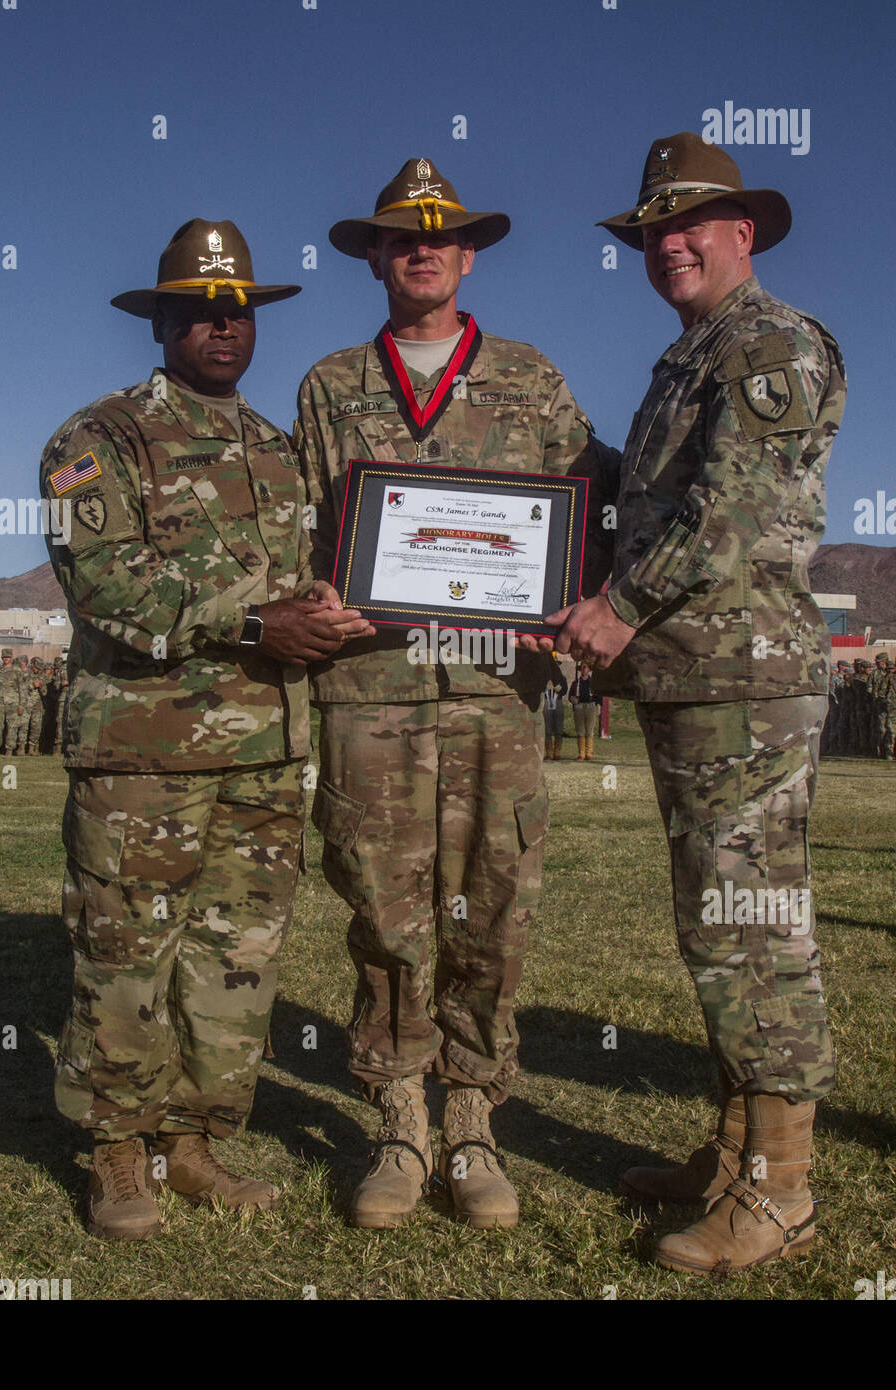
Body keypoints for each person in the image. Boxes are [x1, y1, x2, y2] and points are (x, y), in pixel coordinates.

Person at [544, 132, 846, 1271]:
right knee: (718, 925)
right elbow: (650, 494)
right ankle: (732, 1155)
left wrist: (616, 605)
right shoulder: (691, 358)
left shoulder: (768, 341)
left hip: (747, 682)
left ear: (742, 232)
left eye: (687, 225)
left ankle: (781, 1189)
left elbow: (729, 509)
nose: (666, 244)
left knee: (755, 928)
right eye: (650, 230)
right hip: (699, 680)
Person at [41, 217, 371, 1241]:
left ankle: (192, 1139)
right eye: (199, 310)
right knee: (127, 952)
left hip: (267, 754)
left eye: (237, 311)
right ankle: (115, 1152)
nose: (221, 328)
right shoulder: (95, 439)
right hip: (146, 755)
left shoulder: (277, 449)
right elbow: (102, 585)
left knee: (237, 960)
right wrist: (255, 620)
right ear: (163, 321)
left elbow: (311, 578)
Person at [295, 157, 609, 1230]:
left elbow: (590, 510)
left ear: (468, 255)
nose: (421, 248)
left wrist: (586, 605)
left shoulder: (529, 377)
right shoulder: (332, 386)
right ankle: (397, 1115)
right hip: (370, 689)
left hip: (494, 691)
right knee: (383, 910)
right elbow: (302, 527)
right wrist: (312, 595)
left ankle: (472, 1116)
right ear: (376, 257)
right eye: (400, 236)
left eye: (441, 235)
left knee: (491, 905)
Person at [568, 663, 601, 760]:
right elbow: (570, 695)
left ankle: (589, 753)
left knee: (589, 731)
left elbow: (598, 696)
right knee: (580, 731)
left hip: (590, 707)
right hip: (579, 708)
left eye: (585, 667)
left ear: (589, 670)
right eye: (582, 668)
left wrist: (598, 705)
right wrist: (573, 699)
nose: (583, 669)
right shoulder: (575, 683)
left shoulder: (593, 683)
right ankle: (581, 754)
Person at [542, 659, 567, 760]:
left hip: (557, 701)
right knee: (547, 729)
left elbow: (565, 690)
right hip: (547, 701)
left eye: (556, 664)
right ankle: (549, 753)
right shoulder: (544, 677)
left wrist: (560, 690)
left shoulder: (562, 678)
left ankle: (557, 753)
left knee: (558, 729)